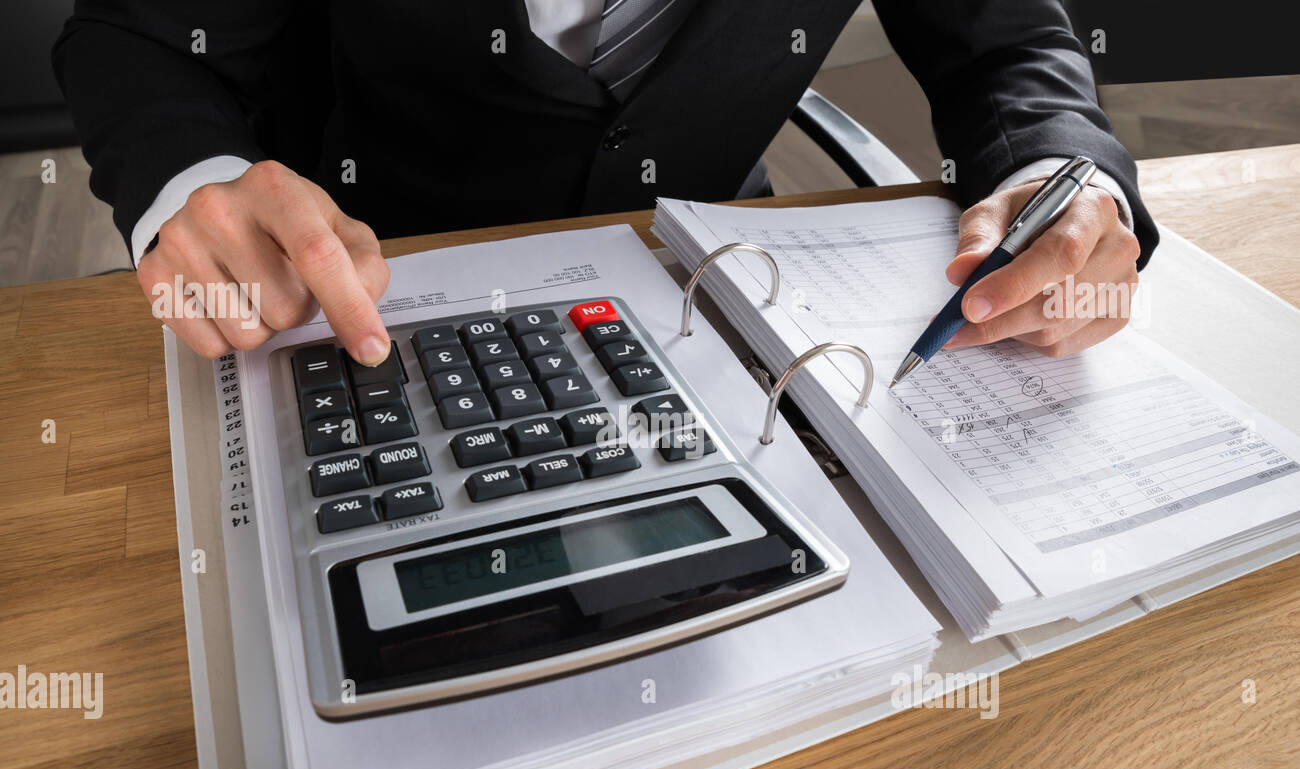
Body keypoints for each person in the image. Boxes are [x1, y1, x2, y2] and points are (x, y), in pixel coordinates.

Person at [53, 0, 1154, 366]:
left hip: (718, 296)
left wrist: (1064, 175)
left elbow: (1006, 44)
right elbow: (136, 37)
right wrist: (196, 182)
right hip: (359, 295)